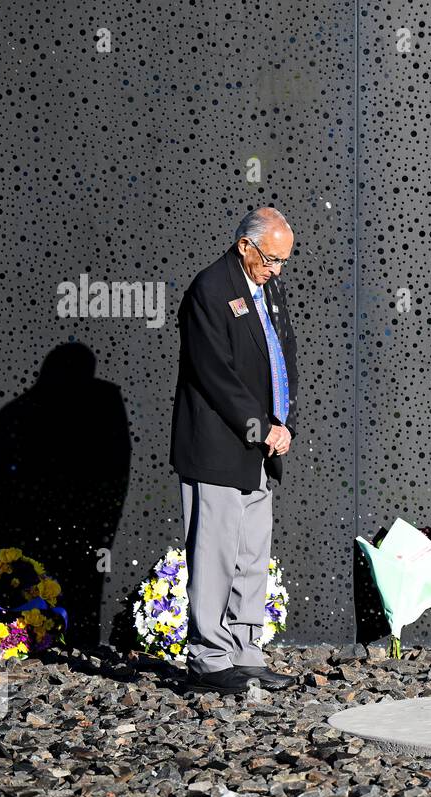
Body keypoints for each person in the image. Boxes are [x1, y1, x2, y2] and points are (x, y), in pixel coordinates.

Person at [169, 207, 300, 693]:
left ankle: (246, 652)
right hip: (219, 444)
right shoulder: (209, 289)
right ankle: (208, 656)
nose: (277, 270)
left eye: (284, 261)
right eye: (271, 259)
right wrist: (259, 426)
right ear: (246, 246)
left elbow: (282, 358)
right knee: (215, 553)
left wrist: (282, 423)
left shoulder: (268, 288)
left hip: (263, 445)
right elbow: (214, 373)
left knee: (250, 554)